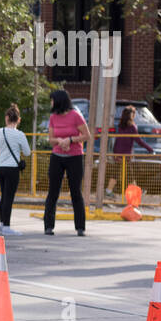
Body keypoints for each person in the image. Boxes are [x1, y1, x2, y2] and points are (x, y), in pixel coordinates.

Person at [43, 88, 90, 236]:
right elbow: (51, 140)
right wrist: (60, 141)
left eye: (52, 100)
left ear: (59, 101)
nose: (51, 102)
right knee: (53, 192)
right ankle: (48, 226)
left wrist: (70, 140)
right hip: (57, 156)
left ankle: (80, 227)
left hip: (75, 157)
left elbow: (86, 135)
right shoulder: (53, 118)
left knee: (75, 192)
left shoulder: (75, 116)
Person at [0, 103, 31, 236]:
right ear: (18, 120)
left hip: (1, 166)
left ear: (6, 118)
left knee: (3, 196)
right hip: (12, 169)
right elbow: (27, 152)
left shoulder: (0, 131)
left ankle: (2, 224)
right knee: (9, 198)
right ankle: (7, 226)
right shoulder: (20, 135)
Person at [106, 104, 138, 198]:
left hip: (120, 154)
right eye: (133, 113)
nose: (134, 115)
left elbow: (118, 142)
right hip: (124, 155)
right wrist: (149, 148)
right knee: (128, 174)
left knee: (119, 173)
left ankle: (109, 190)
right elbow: (138, 140)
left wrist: (115, 154)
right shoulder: (131, 127)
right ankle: (135, 192)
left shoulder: (121, 126)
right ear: (130, 115)